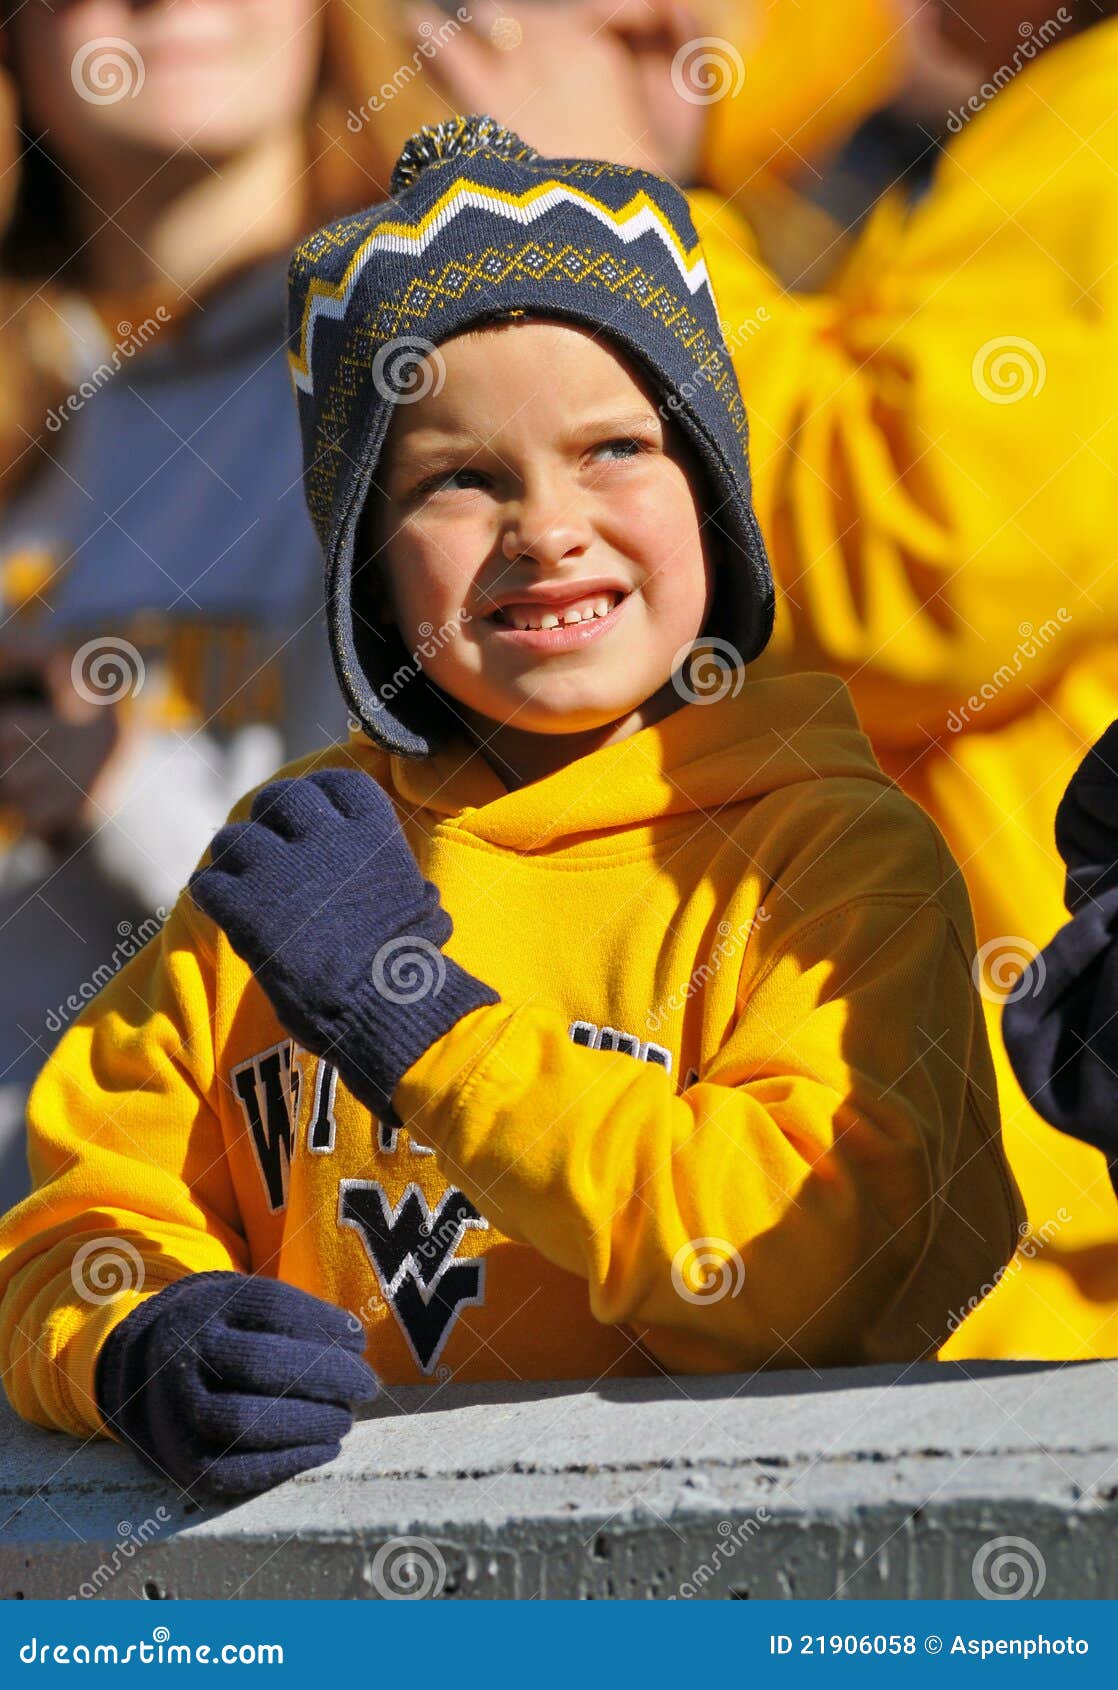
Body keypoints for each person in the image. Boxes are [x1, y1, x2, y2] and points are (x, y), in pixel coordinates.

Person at [0, 117, 1024, 1499]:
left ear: (714, 494)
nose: (545, 526)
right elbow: (79, 1210)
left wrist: (419, 1021)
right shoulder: (292, 858)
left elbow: (805, 1274)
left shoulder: (828, 857)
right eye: (455, 478)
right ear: (363, 547)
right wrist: (136, 1341)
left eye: (613, 448)